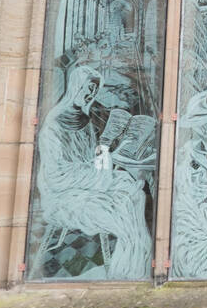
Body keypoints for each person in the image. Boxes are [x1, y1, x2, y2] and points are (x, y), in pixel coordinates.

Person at [35, 63, 151, 279]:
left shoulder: (84, 121)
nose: (90, 95)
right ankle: (127, 271)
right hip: (64, 195)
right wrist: (102, 173)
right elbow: (56, 175)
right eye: (87, 89)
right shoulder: (53, 125)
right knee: (122, 206)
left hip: (88, 182)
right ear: (74, 88)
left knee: (133, 192)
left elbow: (88, 159)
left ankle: (134, 264)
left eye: (94, 90)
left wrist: (105, 152)